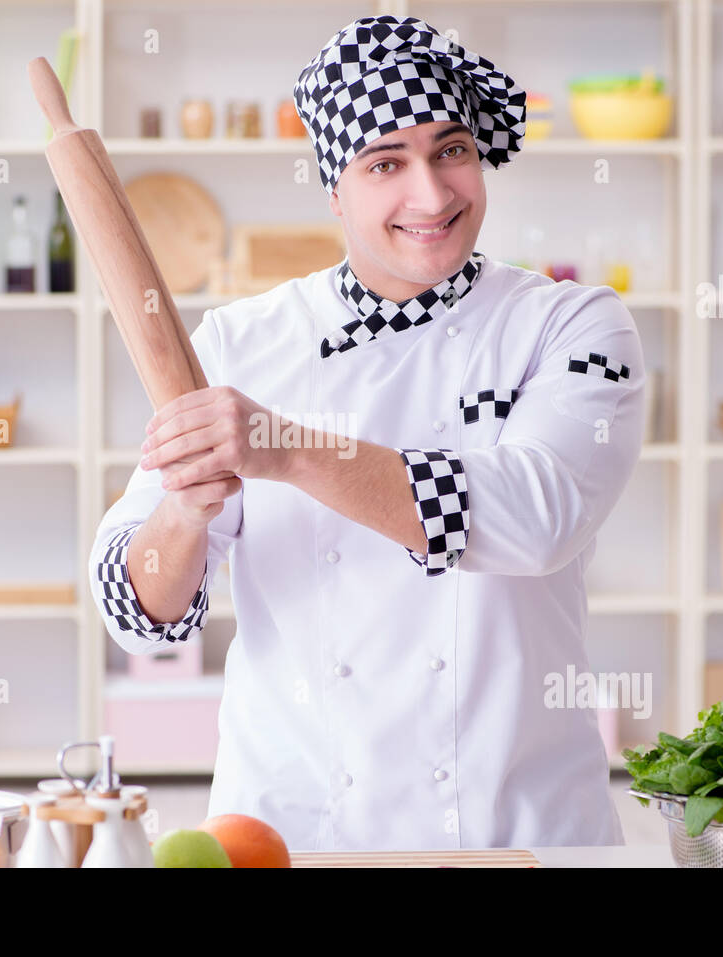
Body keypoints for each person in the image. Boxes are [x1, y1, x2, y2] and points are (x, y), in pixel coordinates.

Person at [89, 14, 646, 850]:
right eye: (386, 163)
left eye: (451, 149)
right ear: (334, 189)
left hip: (516, 834)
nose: (432, 195)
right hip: (291, 832)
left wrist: (282, 448)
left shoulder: (575, 327)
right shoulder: (240, 345)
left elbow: (535, 520)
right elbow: (139, 614)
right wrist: (184, 513)